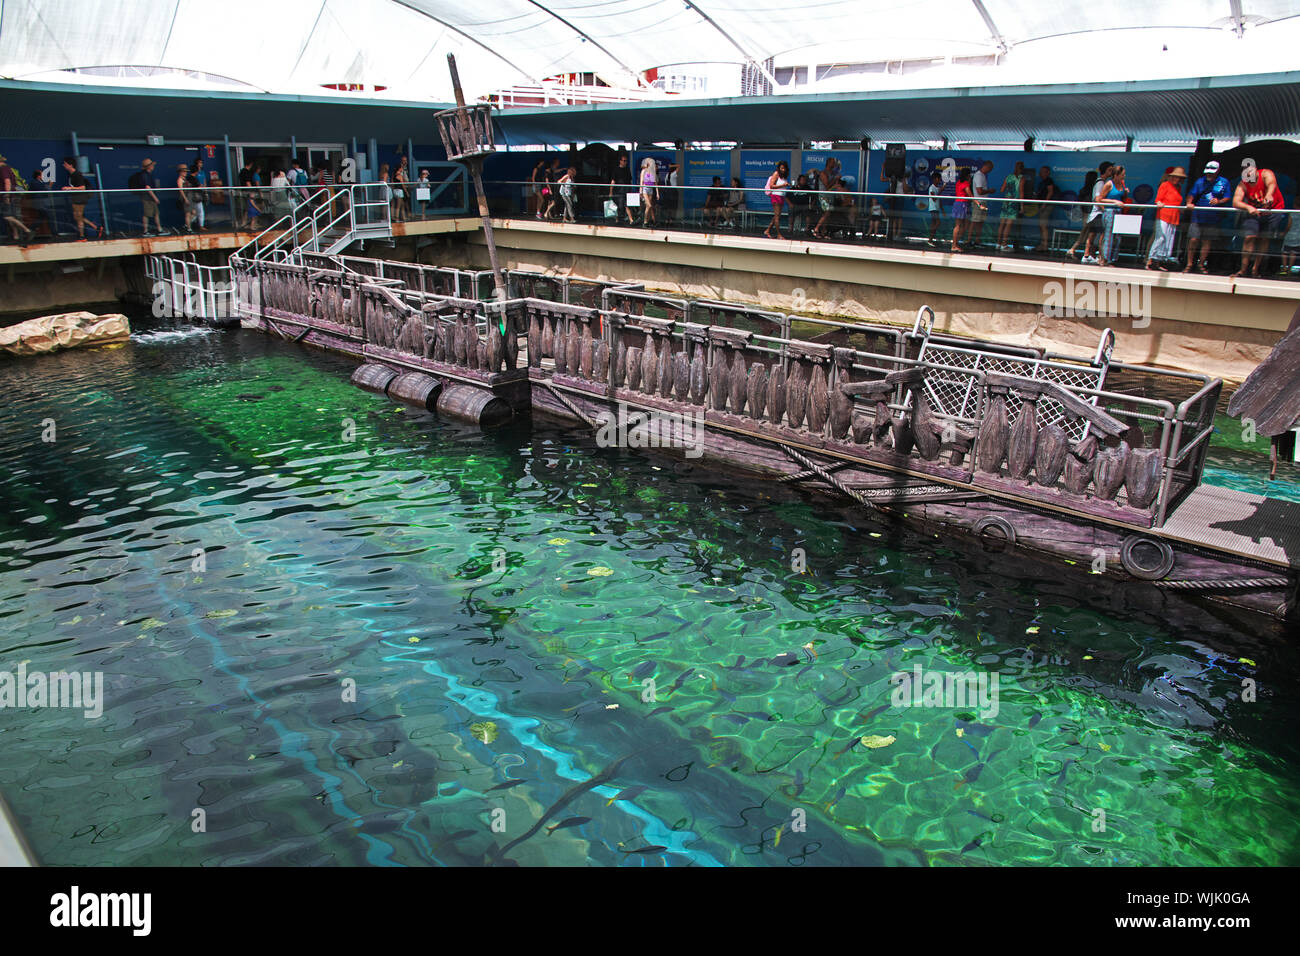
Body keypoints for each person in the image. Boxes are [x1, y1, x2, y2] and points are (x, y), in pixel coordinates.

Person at [1231, 157, 1282, 279]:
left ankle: (1256, 268)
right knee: (1249, 237)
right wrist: (1248, 207)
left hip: (1272, 211)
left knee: (1264, 239)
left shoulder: (1265, 173)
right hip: (1254, 212)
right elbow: (1236, 202)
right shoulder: (1243, 184)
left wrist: (1269, 195)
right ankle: (1243, 269)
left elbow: (1271, 184)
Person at [1183, 160, 1232, 274]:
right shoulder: (1200, 181)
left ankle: (1201, 264)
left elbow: (1228, 197)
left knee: (1207, 241)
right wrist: (1189, 203)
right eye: (1208, 172)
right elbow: (1191, 194)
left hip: (1213, 217)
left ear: (1217, 171)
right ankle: (1189, 263)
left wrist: (1219, 201)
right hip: (1198, 215)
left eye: (1212, 172)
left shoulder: (1224, 182)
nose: (1209, 174)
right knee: (1193, 239)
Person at [1066, 163, 1114, 262]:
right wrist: (1104, 209)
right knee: (1091, 234)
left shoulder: (1093, 186)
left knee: (1088, 234)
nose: (1111, 172)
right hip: (1093, 213)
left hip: (1089, 213)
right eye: (1109, 170)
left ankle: (1081, 252)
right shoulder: (1100, 183)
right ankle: (1086, 254)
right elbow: (1097, 199)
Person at [1145, 167, 1186, 270]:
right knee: (1161, 237)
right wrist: (1159, 203)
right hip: (1163, 215)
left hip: (1173, 216)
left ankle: (1158, 262)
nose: (1176, 179)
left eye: (1178, 177)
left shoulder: (1178, 188)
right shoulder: (1165, 185)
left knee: (1168, 239)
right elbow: (1158, 199)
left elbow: (1176, 201)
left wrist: (1180, 209)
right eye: (1175, 177)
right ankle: (1150, 260)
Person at [1096, 165, 1129, 266]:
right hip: (1110, 212)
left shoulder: (1122, 184)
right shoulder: (1109, 184)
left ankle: (1112, 259)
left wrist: (1126, 193)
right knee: (1109, 236)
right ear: (1116, 175)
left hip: (1119, 212)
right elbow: (1100, 199)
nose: (1124, 176)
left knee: (1117, 237)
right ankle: (1105, 259)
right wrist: (1114, 201)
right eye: (1122, 174)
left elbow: (1121, 197)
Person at [60, 157, 100, 240]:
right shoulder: (72, 175)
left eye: (65, 164)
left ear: (70, 165)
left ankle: (82, 236)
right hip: (76, 198)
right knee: (77, 217)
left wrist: (69, 188)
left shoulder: (77, 174)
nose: (64, 165)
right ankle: (96, 227)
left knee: (78, 217)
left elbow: (82, 187)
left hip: (80, 198)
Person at [0, 154, 35, 246]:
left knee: (7, 216)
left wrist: (6, 195)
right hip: (13, 195)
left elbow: (7, 182)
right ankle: (16, 236)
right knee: (11, 217)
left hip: (9, 196)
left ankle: (27, 231)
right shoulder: (8, 168)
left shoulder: (3, 169)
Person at [995, 161, 1027, 251]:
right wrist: (1022, 206)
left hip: (1006, 202)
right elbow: (1021, 192)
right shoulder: (1022, 178)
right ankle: (1004, 245)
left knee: (1002, 224)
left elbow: (1002, 189)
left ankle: (998, 243)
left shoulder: (1008, 176)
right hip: (1014, 202)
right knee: (1008, 225)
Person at [129, 157, 162, 236]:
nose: (153, 166)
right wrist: (155, 198)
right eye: (151, 165)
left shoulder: (149, 174)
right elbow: (148, 187)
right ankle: (145, 231)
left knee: (156, 213)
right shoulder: (144, 175)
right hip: (147, 198)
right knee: (147, 214)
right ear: (148, 166)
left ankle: (159, 229)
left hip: (150, 197)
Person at [811, 157, 841, 238]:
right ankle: (816, 229)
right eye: (832, 162)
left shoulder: (832, 173)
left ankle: (824, 231)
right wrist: (835, 179)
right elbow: (827, 185)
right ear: (828, 163)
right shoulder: (823, 173)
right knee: (827, 213)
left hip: (830, 196)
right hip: (824, 197)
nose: (834, 164)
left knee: (827, 214)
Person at [1031, 166, 1057, 251]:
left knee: (1043, 225)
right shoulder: (1042, 182)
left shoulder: (1049, 181)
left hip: (1046, 206)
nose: (1040, 174)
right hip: (1041, 205)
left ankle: (1045, 245)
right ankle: (1042, 244)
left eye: (1042, 172)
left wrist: (1044, 204)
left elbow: (1050, 192)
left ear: (1047, 172)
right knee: (1041, 225)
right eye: (1040, 172)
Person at [969, 160, 994, 247]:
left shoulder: (982, 175)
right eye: (990, 169)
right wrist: (989, 191)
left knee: (980, 222)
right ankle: (969, 240)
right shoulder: (979, 175)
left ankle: (977, 240)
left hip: (982, 201)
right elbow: (979, 191)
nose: (990, 171)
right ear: (987, 167)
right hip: (979, 202)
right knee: (975, 221)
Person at [764, 161, 789, 239]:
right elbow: (771, 186)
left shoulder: (784, 176)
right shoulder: (776, 174)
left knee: (777, 215)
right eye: (781, 168)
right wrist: (782, 185)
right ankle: (779, 234)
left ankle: (768, 230)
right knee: (777, 216)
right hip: (776, 196)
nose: (783, 170)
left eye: (784, 168)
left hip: (781, 196)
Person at [950, 166, 972, 252]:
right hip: (961, 204)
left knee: (963, 225)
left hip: (960, 204)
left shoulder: (959, 182)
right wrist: (978, 203)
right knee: (958, 225)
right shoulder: (964, 184)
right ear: (967, 175)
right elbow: (970, 195)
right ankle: (954, 245)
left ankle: (956, 243)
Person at [609, 153, 634, 224]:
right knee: (618, 205)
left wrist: (631, 189)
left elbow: (630, 180)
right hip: (619, 190)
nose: (625, 162)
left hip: (626, 189)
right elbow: (613, 181)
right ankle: (617, 219)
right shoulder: (616, 170)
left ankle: (631, 219)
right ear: (620, 161)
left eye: (626, 161)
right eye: (624, 161)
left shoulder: (627, 169)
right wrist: (611, 191)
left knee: (627, 204)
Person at [236, 159, 257, 230]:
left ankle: (244, 222)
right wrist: (252, 191)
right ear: (250, 165)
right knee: (251, 206)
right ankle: (251, 224)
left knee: (245, 208)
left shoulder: (241, 172)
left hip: (243, 191)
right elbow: (248, 182)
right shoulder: (246, 172)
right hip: (247, 192)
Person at [189, 157, 208, 230]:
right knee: (197, 211)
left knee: (197, 211)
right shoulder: (193, 176)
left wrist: (205, 189)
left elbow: (204, 181)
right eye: (200, 162)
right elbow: (197, 185)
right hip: (195, 195)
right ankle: (195, 225)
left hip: (200, 193)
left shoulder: (202, 172)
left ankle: (196, 225)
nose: (201, 164)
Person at [639, 157, 658, 227]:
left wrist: (657, 193)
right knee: (649, 205)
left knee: (649, 207)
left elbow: (655, 183)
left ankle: (648, 221)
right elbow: (641, 182)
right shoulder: (644, 171)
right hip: (645, 189)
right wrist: (640, 191)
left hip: (651, 189)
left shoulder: (653, 172)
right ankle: (645, 221)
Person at [176, 163, 196, 233]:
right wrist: (185, 199)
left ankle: (186, 225)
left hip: (190, 197)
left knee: (193, 213)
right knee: (187, 213)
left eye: (186, 171)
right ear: (180, 172)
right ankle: (189, 229)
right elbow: (181, 190)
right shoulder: (180, 180)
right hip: (186, 197)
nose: (185, 173)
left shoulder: (185, 179)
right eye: (184, 171)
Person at [1280, 210, 1300, 276]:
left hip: (1290, 235)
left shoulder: (1292, 213)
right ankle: (1289, 269)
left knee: (1285, 251)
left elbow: (1289, 225)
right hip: (1298, 236)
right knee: (1293, 252)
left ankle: (1284, 268)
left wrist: (1284, 233)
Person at [926, 172, 943, 244]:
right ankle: (930, 238)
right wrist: (941, 190)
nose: (940, 181)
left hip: (937, 208)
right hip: (933, 208)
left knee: (934, 223)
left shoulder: (937, 188)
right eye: (939, 179)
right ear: (936, 179)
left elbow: (939, 200)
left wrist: (943, 210)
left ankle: (931, 239)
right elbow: (934, 198)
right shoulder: (931, 187)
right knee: (937, 222)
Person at [392, 157, 409, 223]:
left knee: (401, 204)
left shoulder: (394, 175)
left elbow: (392, 183)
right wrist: (406, 192)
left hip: (395, 190)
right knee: (398, 206)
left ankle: (404, 217)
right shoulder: (400, 176)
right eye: (401, 168)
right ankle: (397, 218)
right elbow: (403, 185)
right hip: (399, 191)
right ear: (400, 168)